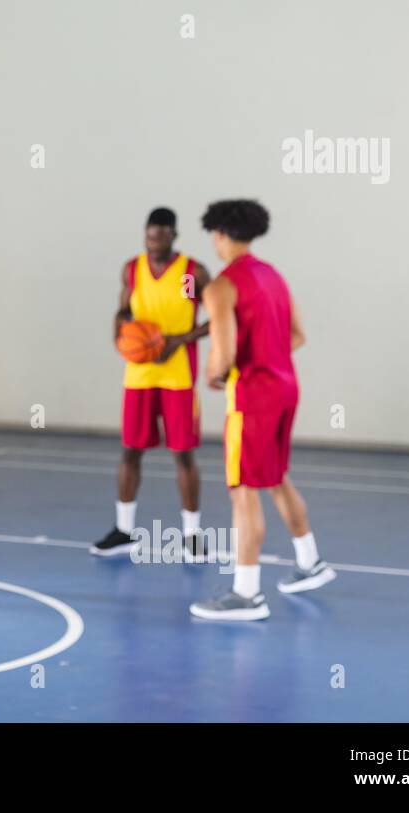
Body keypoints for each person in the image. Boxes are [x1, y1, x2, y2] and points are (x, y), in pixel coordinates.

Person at [189, 199, 336, 621]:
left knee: (242, 490)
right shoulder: (274, 276)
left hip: (251, 398)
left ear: (219, 235)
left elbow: (224, 353)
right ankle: (310, 562)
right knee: (274, 477)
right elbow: (298, 335)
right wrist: (265, 356)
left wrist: (214, 374)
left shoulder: (221, 286)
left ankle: (246, 593)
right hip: (286, 388)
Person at [92, 208, 210, 562]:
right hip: (139, 374)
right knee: (131, 450)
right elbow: (122, 312)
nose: (154, 241)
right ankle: (125, 530)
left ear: (174, 235)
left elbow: (218, 318)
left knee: (183, 454)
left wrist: (178, 340)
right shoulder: (133, 268)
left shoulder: (193, 272)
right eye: (149, 236)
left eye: (161, 236)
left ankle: (191, 535)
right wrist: (120, 333)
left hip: (178, 376)